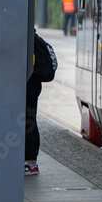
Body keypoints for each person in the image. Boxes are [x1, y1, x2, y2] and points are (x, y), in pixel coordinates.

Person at [26, 31, 57, 176]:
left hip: (28, 84)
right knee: (30, 121)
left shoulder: (28, 40)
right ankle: (31, 162)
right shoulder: (35, 39)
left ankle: (30, 163)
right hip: (33, 84)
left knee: (27, 122)